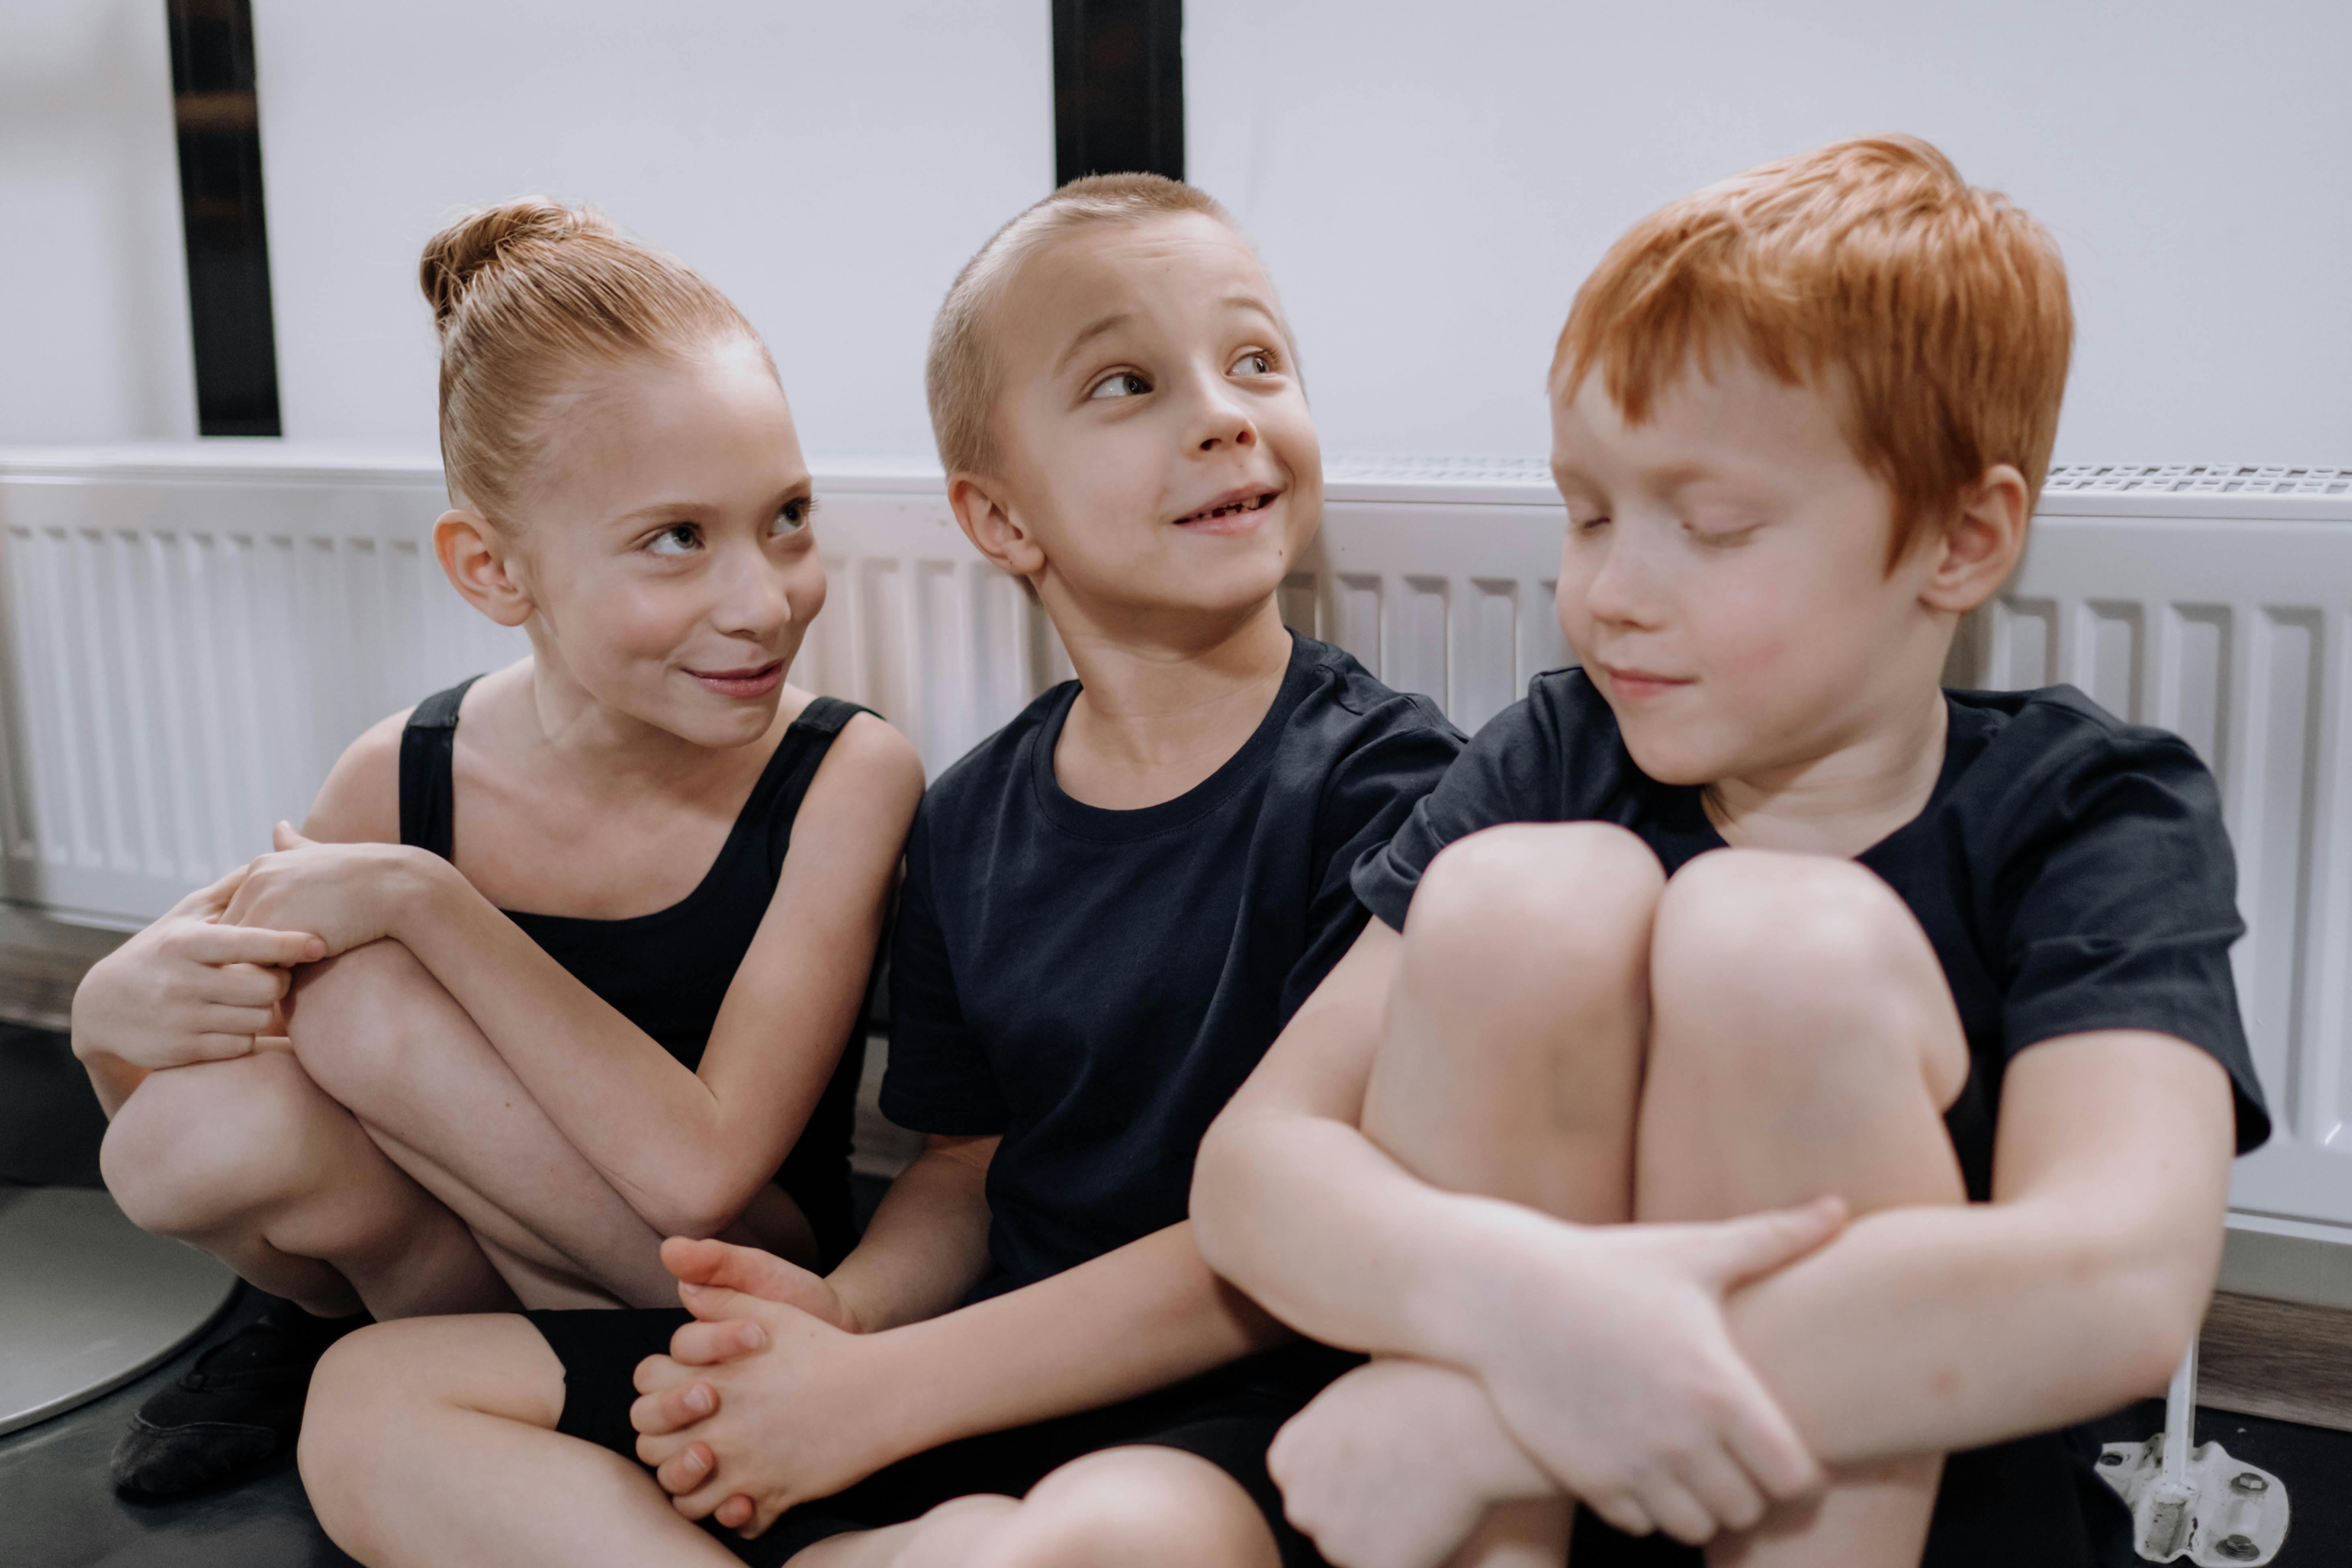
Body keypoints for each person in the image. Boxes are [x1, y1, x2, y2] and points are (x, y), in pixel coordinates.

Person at [296, 173, 1464, 1568]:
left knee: (1112, 1537)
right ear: (1002, 520)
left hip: (1225, 1410)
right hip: (952, 1379)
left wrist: (877, 1390)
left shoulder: (1392, 790)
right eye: (1129, 383)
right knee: (370, 1399)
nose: (1223, 412)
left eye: (1257, 360)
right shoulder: (970, 816)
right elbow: (964, 1168)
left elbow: (1304, 1240)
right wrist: (842, 1320)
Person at [1190, 134, 2270, 1568]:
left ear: (1961, 539)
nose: (1612, 594)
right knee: (1518, 903)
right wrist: (1523, 1312)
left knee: (1776, 945)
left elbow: (2119, 1284)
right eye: (1587, 515)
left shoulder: (2089, 810)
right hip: (1543, 1532)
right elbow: (1253, 1170)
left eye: (1710, 527)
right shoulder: (1556, 759)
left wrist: (1491, 1423)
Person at [69, 198, 922, 1498]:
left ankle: (507, 1382)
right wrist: (105, 1020)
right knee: (187, 1130)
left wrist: (425, 902)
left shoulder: (847, 776)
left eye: (788, 516)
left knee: (358, 1002)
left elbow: (699, 1172)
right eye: (678, 539)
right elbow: (167, 1123)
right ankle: (382, 1344)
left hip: (727, 1273)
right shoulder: (400, 773)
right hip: (469, 1258)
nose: (765, 600)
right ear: (492, 571)